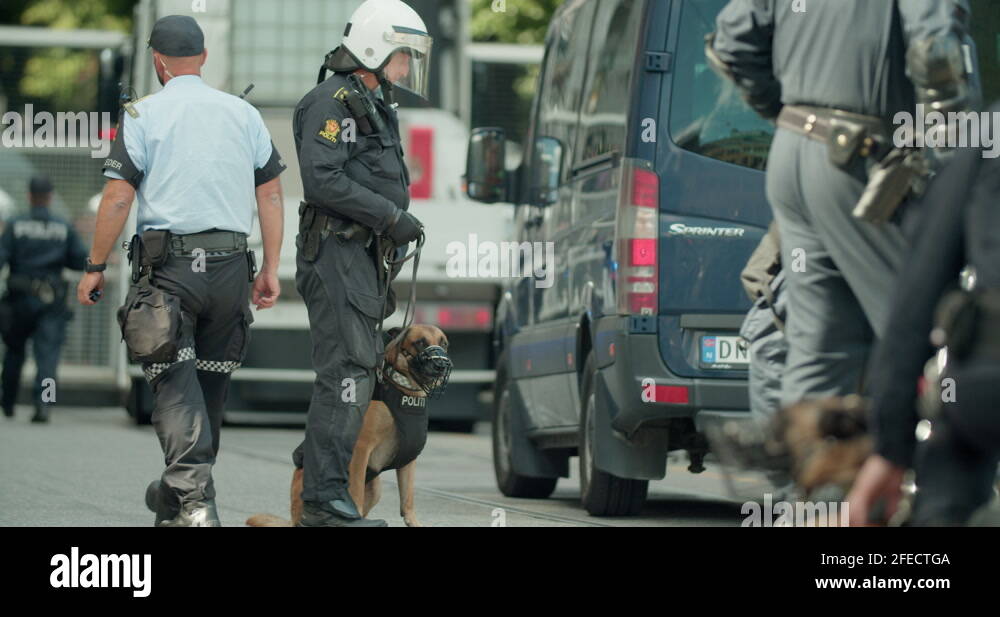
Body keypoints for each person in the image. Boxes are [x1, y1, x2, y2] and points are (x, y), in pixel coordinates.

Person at [707, 0, 975, 410]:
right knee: (933, 325)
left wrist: (788, 110)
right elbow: (936, 54)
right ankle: (941, 466)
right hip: (860, 163)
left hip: (793, 153)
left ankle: (809, 469)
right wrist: (962, 162)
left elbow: (731, 42)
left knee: (820, 351)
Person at [77, 15, 286, 527]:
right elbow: (272, 193)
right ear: (204, 57)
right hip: (232, 267)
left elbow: (118, 196)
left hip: (171, 271)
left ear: (158, 62)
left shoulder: (144, 114)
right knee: (209, 387)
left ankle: (193, 504)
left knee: (173, 383)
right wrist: (272, 269)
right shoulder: (243, 113)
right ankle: (174, 499)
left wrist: (94, 266)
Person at [291, 0, 430, 527]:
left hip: (362, 259)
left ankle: (325, 498)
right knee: (345, 374)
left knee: (355, 373)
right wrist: (390, 214)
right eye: (401, 57)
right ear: (374, 47)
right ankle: (324, 503)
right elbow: (322, 179)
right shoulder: (332, 102)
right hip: (337, 256)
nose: (406, 69)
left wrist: (391, 224)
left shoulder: (373, 100)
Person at [848, 107, 1000, 526]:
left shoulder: (990, 135)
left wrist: (890, 447)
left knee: (951, 467)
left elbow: (918, 289)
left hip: (985, 388)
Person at [0, 176, 88, 423]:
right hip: (51, 302)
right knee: (47, 357)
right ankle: (44, 405)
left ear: (29, 195)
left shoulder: (16, 225)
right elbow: (79, 259)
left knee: (14, 352)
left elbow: (1, 258)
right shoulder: (63, 226)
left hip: (18, 300)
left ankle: (7, 402)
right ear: (50, 196)